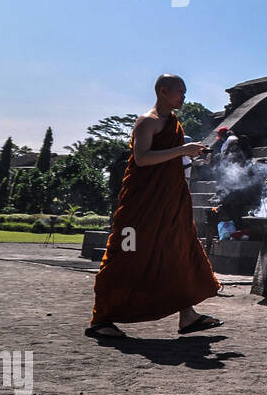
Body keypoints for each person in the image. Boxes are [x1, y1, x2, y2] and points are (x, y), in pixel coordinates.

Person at [86, 74, 222, 339]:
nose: (184, 96)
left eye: (185, 91)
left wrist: (190, 154)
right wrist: (183, 150)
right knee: (127, 253)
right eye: (180, 92)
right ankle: (100, 318)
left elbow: (167, 162)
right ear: (163, 91)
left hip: (170, 202)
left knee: (178, 250)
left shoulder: (173, 123)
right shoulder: (147, 121)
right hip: (142, 206)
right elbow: (142, 158)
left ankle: (188, 315)